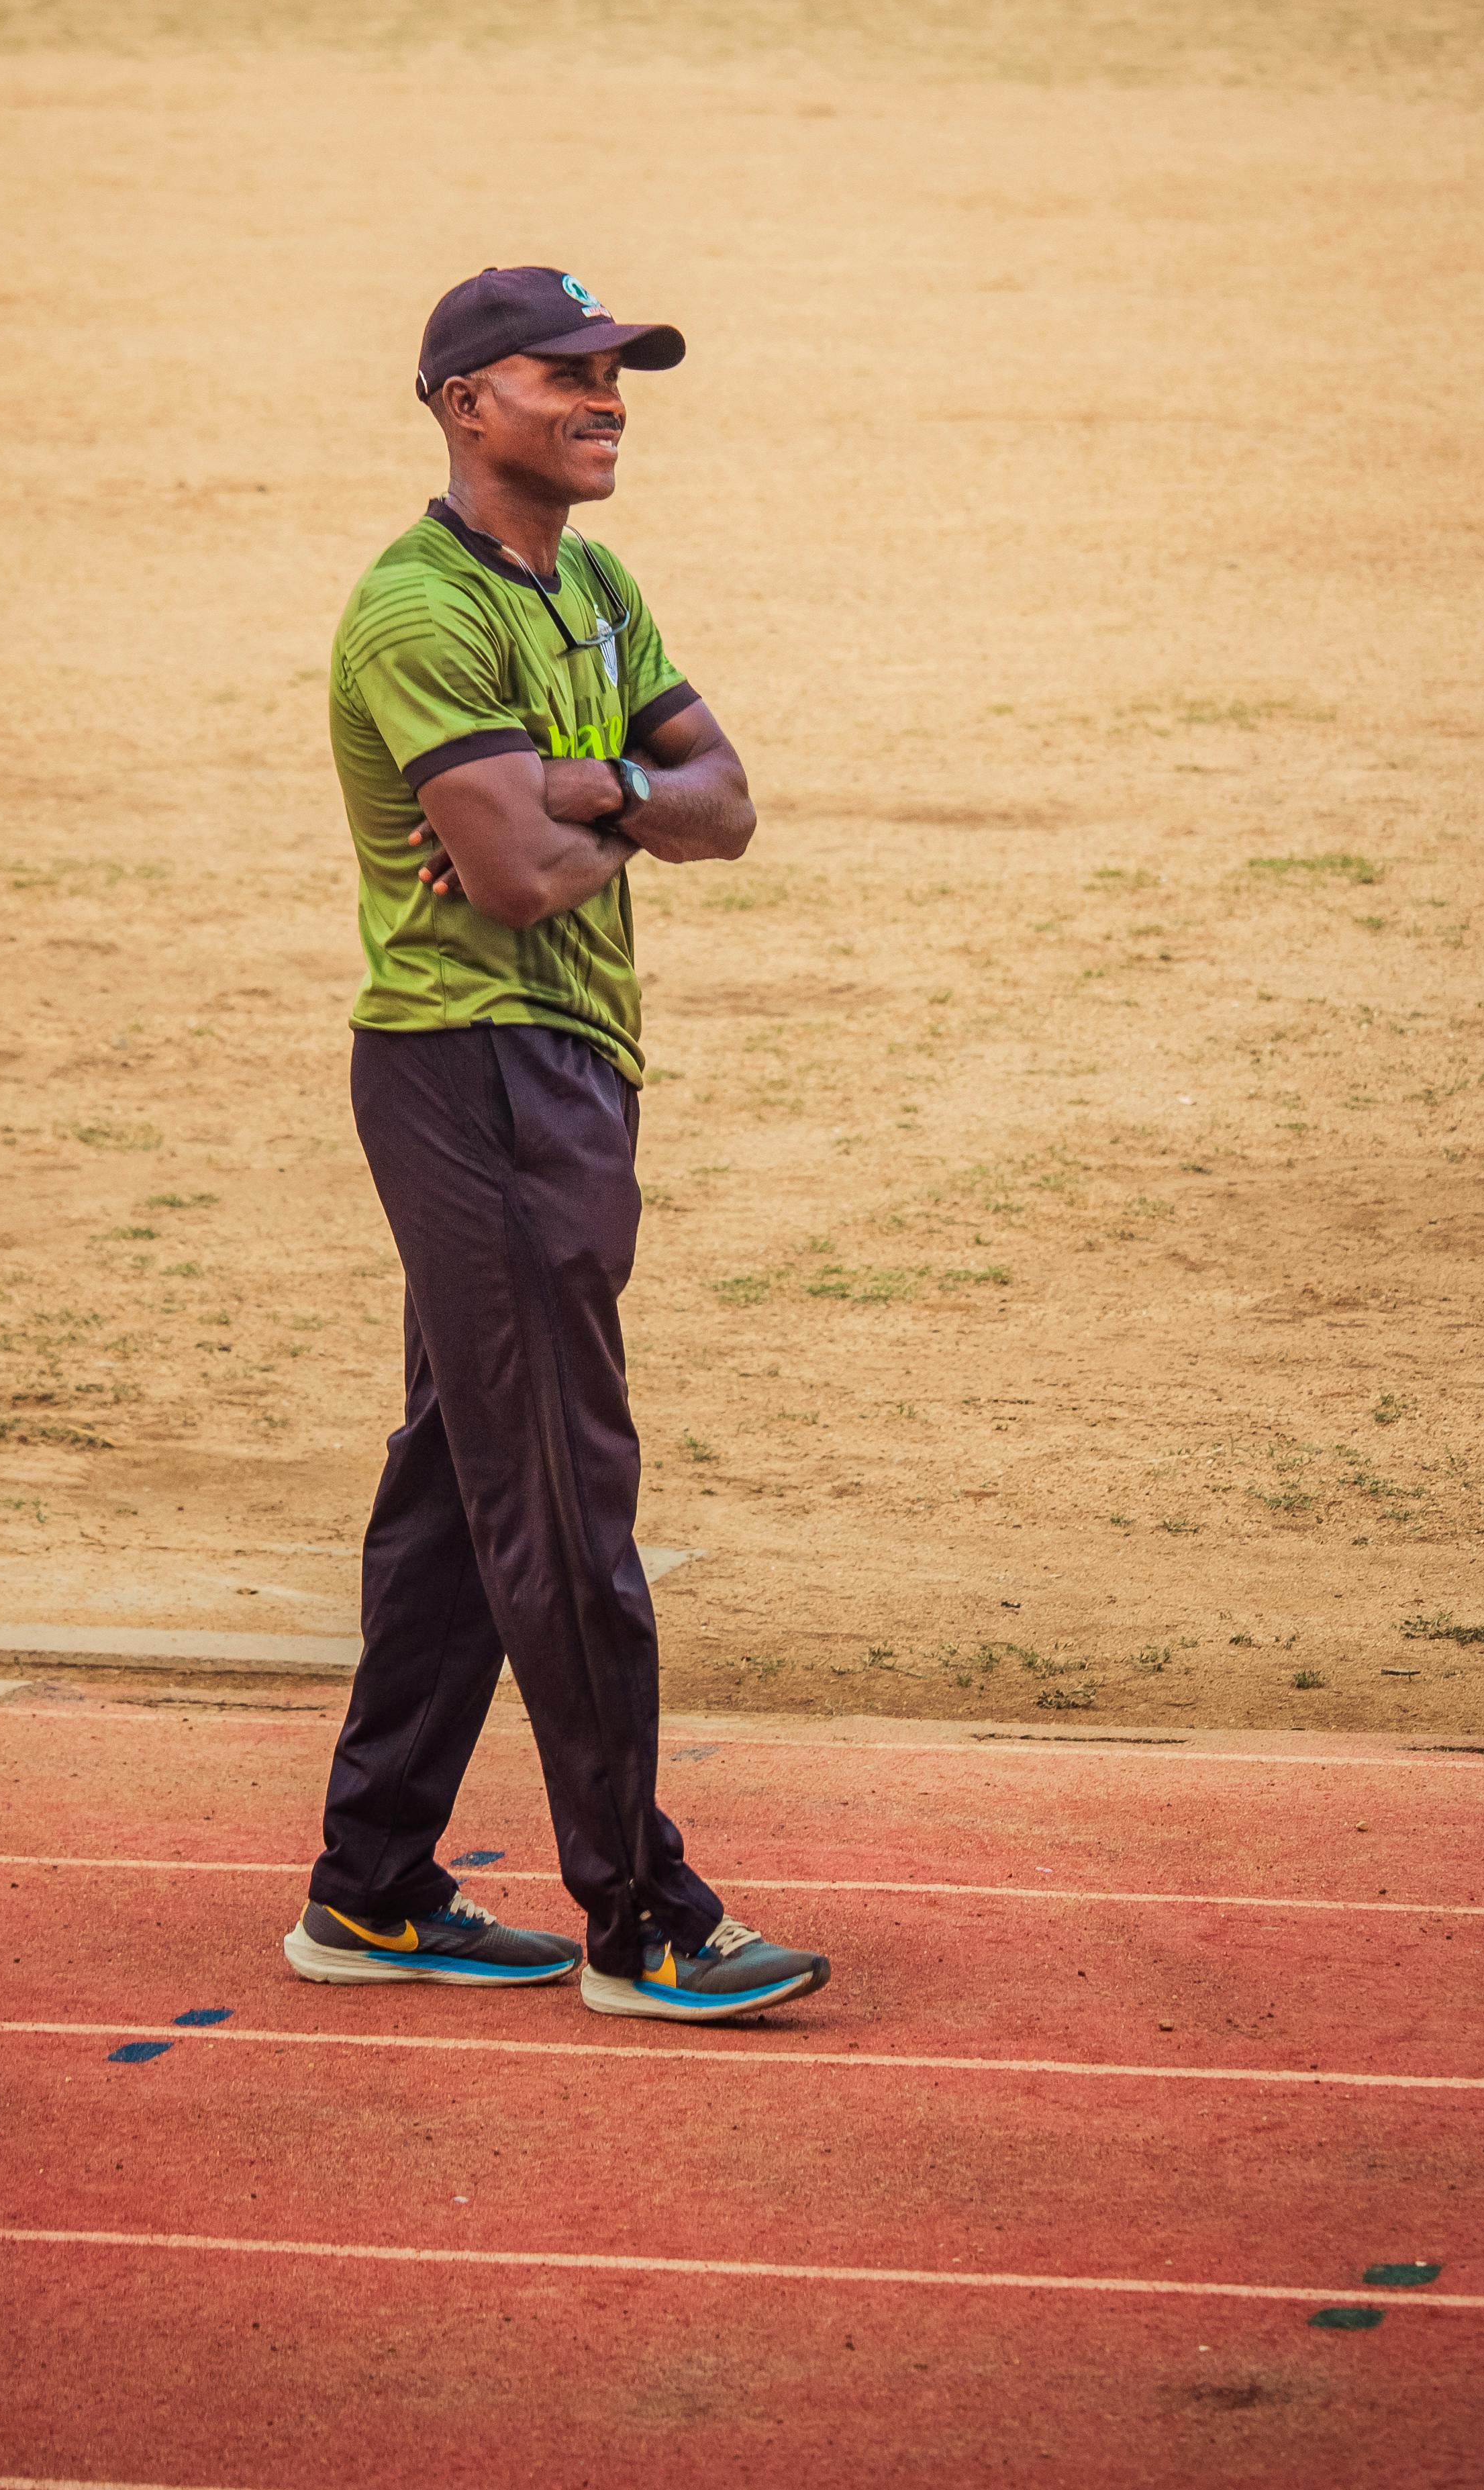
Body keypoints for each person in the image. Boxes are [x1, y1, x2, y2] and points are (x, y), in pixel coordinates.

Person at [285, 265, 832, 2027]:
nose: (606, 399)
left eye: (618, 374)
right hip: (477, 1075)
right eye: (566, 374)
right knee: (565, 1503)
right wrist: (602, 808)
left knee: (466, 1490)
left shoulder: (593, 585)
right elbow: (511, 884)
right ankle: (643, 1916)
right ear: (462, 399)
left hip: (566, 1073)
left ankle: (372, 1890)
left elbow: (726, 808)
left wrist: (578, 786)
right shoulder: (414, 615)